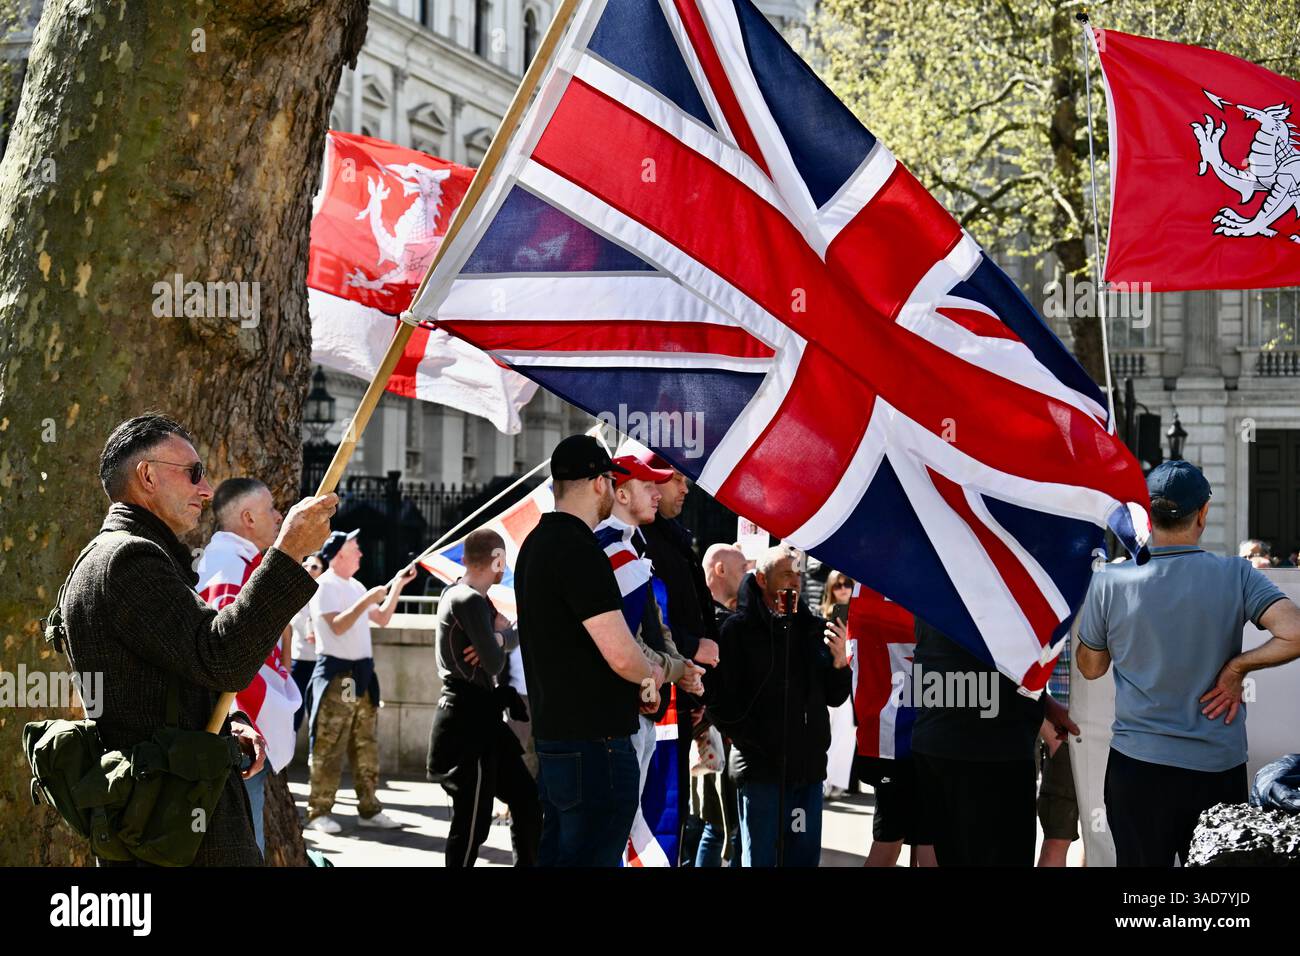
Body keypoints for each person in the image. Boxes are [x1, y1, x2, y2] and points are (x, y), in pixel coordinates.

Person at [59, 414, 331, 866]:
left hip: (169, 820)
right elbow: (221, 657)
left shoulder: (131, 556)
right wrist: (287, 553)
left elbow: (183, 671)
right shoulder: (128, 560)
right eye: (193, 473)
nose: (205, 490)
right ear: (146, 475)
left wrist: (234, 718)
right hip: (175, 832)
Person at [1078, 460, 1300, 866]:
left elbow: (1091, 668)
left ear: (1147, 515)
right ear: (1203, 513)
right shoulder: (1236, 573)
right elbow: (1295, 633)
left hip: (1138, 767)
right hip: (1216, 769)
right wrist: (1238, 668)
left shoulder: (1109, 581)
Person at [514, 434, 660, 867]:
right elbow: (619, 651)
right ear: (598, 483)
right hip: (595, 745)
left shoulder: (535, 545)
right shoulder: (580, 548)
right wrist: (651, 673)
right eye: (609, 482)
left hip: (558, 739)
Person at [705, 545, 852, 866]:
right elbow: (716, 700)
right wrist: (753, 741)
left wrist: (840, 664)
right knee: (760, 860)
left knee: (801, 859)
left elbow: (835, 696)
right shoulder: (736, 631)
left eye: (797, 575)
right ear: (761, 579)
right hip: (760, 775)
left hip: (807, 775)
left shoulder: (812, 630)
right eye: (786, 574)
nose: (795, 582)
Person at [595, 454, 706, 864]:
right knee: (614, 835)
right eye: (647, 485)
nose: (657, 493)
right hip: (623, 712)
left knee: (624, 831)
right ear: (620, 493)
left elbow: (657, 625)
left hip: (640, 708)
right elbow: (625, 642)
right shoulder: (614, 549)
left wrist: (680, 667)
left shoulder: (631, 545)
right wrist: (678, 669)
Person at [910, 615, 1077, 867]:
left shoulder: (935, 580)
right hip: (990, 747)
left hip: (941, 738)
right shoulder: (1000, 588)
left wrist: (1045, 706)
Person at [196, 477, 304, 858]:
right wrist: (250, 719)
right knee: (244, 848)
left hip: (244, 728)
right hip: (240, 731)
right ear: (247, 518)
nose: (279, 516)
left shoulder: (240, 562)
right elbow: (229, 649)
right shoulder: (229, 566)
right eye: (271, 509)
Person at [426, 528, 541, 866]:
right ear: (497, 561)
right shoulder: (467, 599)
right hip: (465, 724)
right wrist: (500, 638)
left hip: (483, 718)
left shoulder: (469, 596)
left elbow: (506, 640)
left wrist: (497, 637)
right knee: (472, 824)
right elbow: (493, 658)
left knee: (526, 800)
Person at [305, 529, 418, 833]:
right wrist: (368, 598)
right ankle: (319, 811)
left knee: (365, 744)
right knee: (331, 743)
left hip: (361, 675)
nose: (361, 553)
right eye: (355, 547)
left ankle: (369, 808)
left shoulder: (354, 585)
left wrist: (397, 586)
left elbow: (381, 618)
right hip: (339, 674)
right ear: (339, 553)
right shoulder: (324, 585)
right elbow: (338, 626)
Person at [700, 541, 747, 866]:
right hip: (714, 736)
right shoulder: (705, 619)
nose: (748, 576)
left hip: (720, 735)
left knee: (719, 827)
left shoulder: (721, 616)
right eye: (743, 569)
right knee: (717, 828)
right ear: (720, 569)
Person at [1036, 639, 1079, 867]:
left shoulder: (1115, 603)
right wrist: (1050, 734)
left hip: (1117, 737)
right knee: (1057, 838)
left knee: (1105, 835)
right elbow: (1024, 674)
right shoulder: (1062, 605)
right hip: (1064, 737)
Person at [820, 571, 857, 800]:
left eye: (847, 583)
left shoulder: (861, 615)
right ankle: (825, 781)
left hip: (853, 677)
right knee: (830, 730)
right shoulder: (821, 617)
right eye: (837, 585)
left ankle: (838, 782)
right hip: (831, 677)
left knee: (846, 732)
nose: (843, 589)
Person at [290, 553, 326, 733]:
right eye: (306, 565)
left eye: (315, 567)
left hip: (320, 660)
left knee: (317, 710)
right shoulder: (294, 590)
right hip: (299, 658)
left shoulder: (325, 593)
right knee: (295, 710)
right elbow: (294, 621)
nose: (309, 570)